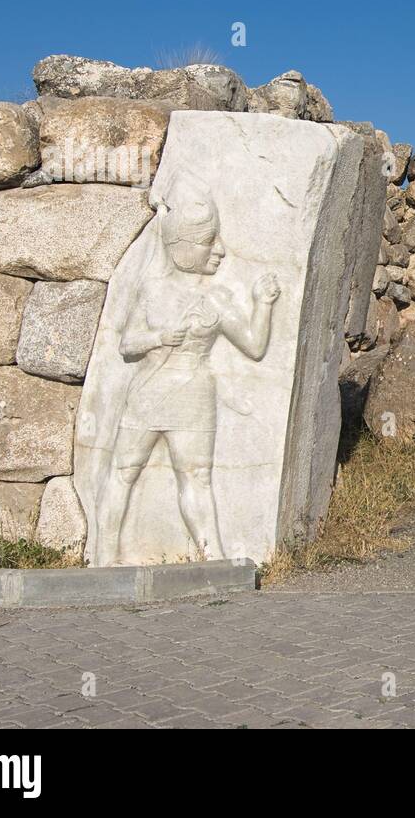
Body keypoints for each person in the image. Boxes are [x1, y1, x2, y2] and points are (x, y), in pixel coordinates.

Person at [93, 193, 280, 566]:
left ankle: (213, 558)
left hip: (193, 394)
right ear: (181, 245)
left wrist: (263, 303)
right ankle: (103, 555)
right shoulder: (151, 288)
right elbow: (127, 344)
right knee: (123, 472)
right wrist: (160, 338)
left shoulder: (219, 298)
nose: (220, 250)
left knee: (196, 478)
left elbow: (255, 346)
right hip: (146, 392)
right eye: (209, 242)